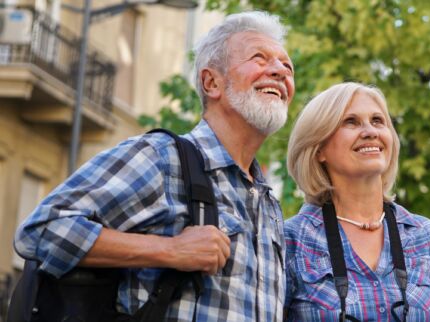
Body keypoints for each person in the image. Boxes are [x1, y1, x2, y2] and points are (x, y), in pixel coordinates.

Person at [14, 11, 294, 321]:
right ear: (211, 82)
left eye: (286, 65)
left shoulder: (269, 203)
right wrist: (171, 250)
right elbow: (42, 230)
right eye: (260, 58)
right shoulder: (162, 157)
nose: (280, 71)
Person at [284, 82, 430, 322]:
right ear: (319, 150)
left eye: (378, 121)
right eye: (351, 122)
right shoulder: (290, 241)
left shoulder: (429, 236)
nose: (370, 131)